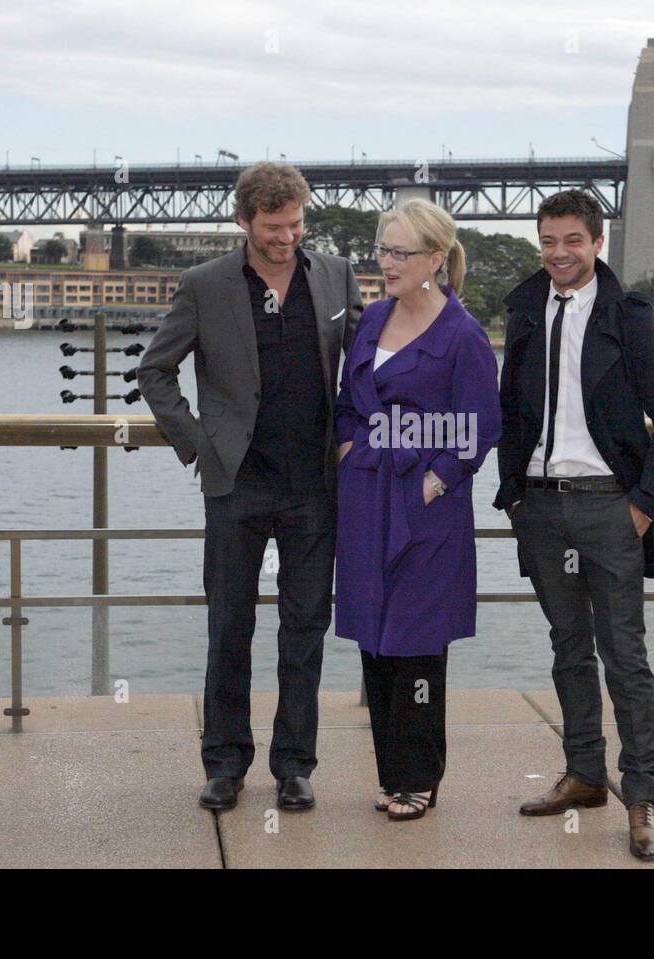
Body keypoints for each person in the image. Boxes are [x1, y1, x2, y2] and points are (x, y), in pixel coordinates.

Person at [137, 161, 364, 813]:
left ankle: (294, 764)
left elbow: (370, 362)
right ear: (243, 221)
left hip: (314, 485)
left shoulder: (336, 277)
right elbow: (156, 371)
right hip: (235, 483)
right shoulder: (203, 285)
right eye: (273, 227)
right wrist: (197, 441)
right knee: (229, 626)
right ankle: (225, 763)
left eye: (295, 224)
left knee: (306, 627)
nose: (287, 237)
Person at [494, 189, 654, 859]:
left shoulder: (629, 316)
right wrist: (513, 494)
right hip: (541, 506)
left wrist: (642, 506)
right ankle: (583, 774)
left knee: (624, 656)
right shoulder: (524, 309)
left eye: (572, 240)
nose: (558, 253)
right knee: (566, 645)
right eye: (547, 241)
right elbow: (510, 411)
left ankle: (642, 797)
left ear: (597, 243)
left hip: (610, 505)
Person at [333, 199, 500, 821]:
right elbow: (348, 400)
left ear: (435, 259)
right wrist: (350, 445)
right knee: (376, 639)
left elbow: (482, 426)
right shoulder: (372, 319)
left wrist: (434, 479)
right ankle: (390, 772)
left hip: (425, 509)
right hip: (365, 497)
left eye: (400, 253)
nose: (386, 263)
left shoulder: (464, 334)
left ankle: (420, 777)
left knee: (418, 642)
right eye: (382, 250)